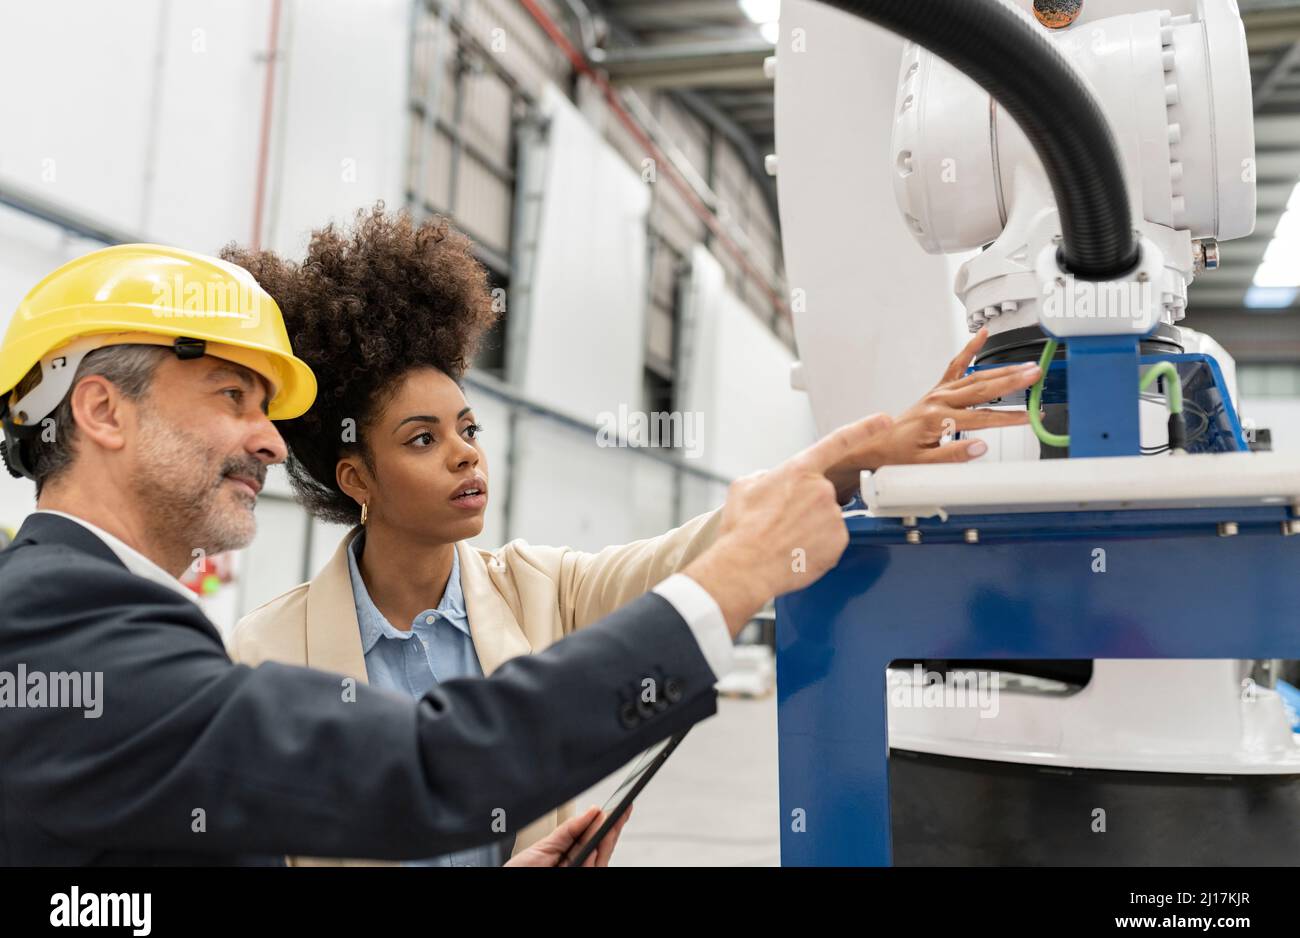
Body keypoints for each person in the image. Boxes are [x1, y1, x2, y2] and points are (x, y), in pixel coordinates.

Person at [0, 242, 1025, 866]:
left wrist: (842, 456)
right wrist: (733, 584)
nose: (266, 438)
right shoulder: (80, 632)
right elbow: (425, 763)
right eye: (234, 398)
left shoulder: (115, 623)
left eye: (470, 429)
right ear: (101, 409)